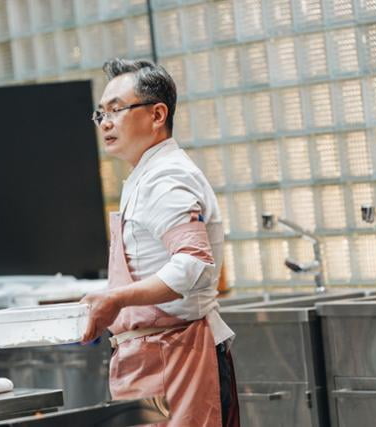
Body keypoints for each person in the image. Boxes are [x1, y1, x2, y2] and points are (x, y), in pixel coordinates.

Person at [80, 58, 240, 427]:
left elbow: (193, 264)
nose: (105, 122)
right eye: (100, 113)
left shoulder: (166, 177)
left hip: (178, 356)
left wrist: (117, 299)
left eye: (116, 109)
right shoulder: (147, 174)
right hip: (158, 356)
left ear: (157, 115)